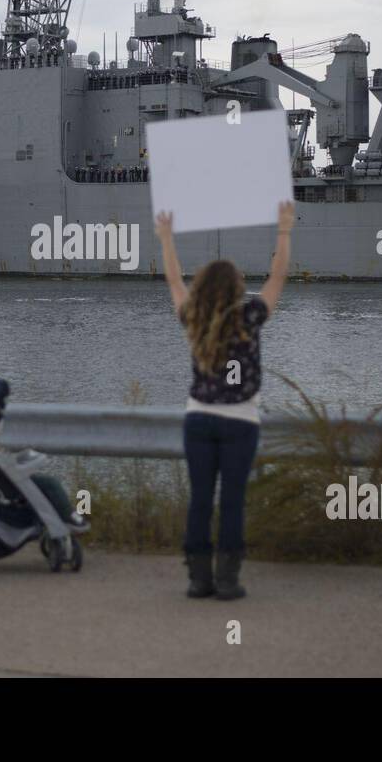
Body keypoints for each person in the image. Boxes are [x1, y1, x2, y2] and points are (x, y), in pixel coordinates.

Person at [155, 201, 295, 600]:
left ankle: (198, 579)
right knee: (232, 502)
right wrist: (283, 230)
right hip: (241, 423)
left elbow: (173, 281)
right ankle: (228, 580)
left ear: (203, 289)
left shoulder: (193, 318)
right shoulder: (250, 317)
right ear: (236, 288)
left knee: (200, 500)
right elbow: (278, 274)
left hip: (198, 421)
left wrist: (166, 238)